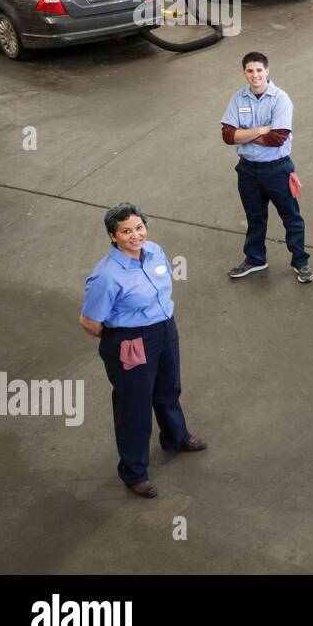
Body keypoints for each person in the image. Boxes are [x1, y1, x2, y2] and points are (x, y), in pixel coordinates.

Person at [78, 204, 206, 498]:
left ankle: (176, 437)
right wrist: (121, 337)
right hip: (131, 340)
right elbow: (89, 322)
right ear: (113, 236)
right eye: (126, 231)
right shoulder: (107, 276)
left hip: (164, 329)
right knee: (133, 406)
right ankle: (134, 472)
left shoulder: (155, 251)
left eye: (139, 228)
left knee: (168, 388)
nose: (135, 235)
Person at [220, 51, 312, 283]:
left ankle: (301, 261)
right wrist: (261, 130)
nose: (255, 75)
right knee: (255, 217)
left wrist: (245, 134)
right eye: (250, 71)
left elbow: (277, 138)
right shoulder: (238, 98)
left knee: (290, 216)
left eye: (259, 70)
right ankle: (255, 259)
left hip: (277, 170)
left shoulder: (281, 99)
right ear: (244, 73)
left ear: (267, 71)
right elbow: (228, 135)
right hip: (248, 170)